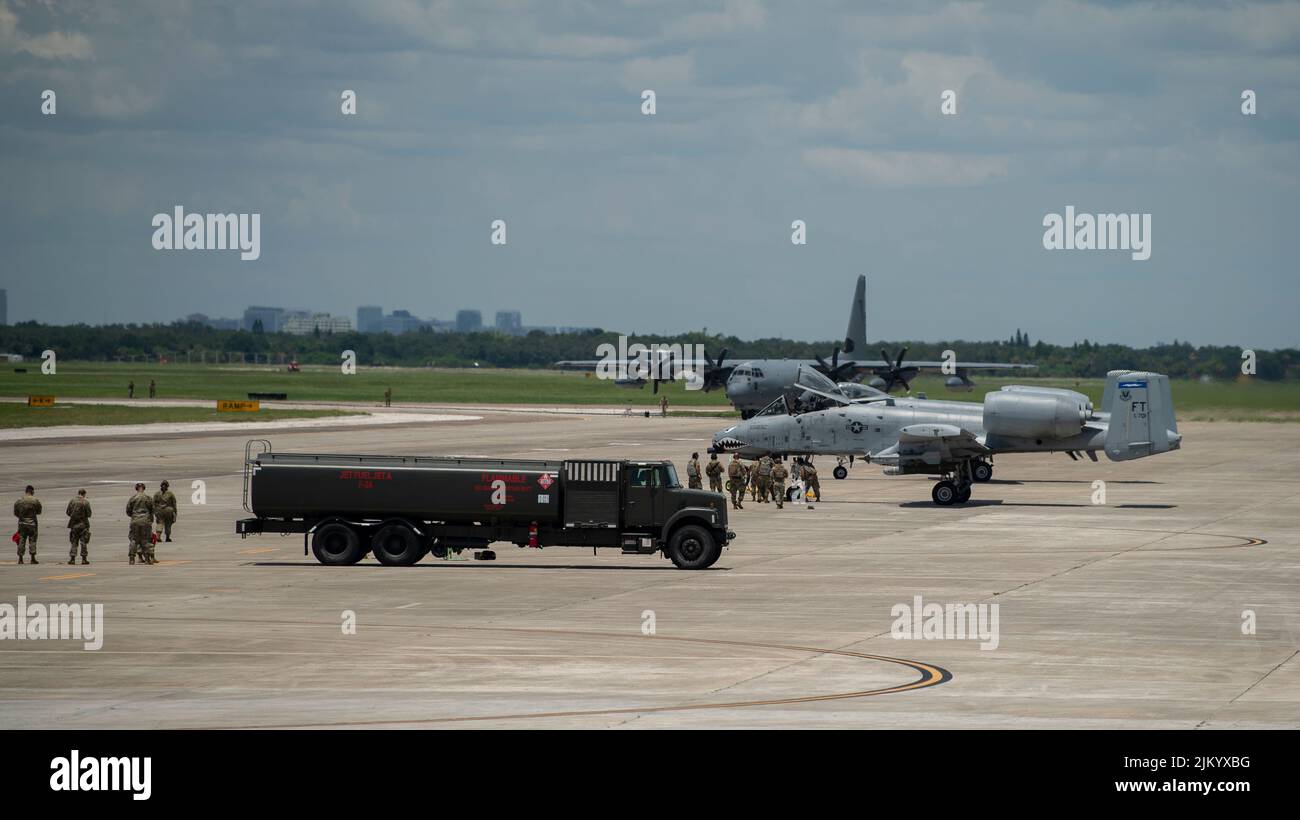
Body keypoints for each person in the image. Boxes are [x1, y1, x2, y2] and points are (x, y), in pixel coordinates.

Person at [126, 483, 155, 565]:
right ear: (144, 488)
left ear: (136, 489)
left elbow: (128, 511)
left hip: (135, 520)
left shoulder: (133, 498)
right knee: (145, 539)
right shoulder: (148, 498)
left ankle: (132, 558)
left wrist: (134, 516)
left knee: (134, 539)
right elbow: (152, 510)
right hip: (145, 521)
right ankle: (147, 559)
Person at [13, 485, 42, 564]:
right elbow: (39, 511)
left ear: (26, 491)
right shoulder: (35, 500)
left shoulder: (19, 500)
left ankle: (20, 559)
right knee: (32, 540)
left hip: (22, 523)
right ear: (31, 491)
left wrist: (21, 516)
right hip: (32, 523)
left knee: (21, 539)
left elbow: (15, 512)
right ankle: (32, 558)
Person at [66, 489, 92, 565]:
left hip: (74, 524)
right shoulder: (86, 502)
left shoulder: (72, 501)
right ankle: (84, 559)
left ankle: (72, 559)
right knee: (83, 542)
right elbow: (89, 514)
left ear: (78, 493)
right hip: (83, 524)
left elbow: (68, 512)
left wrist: (74, 516)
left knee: (74, 541)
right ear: (84, 494)